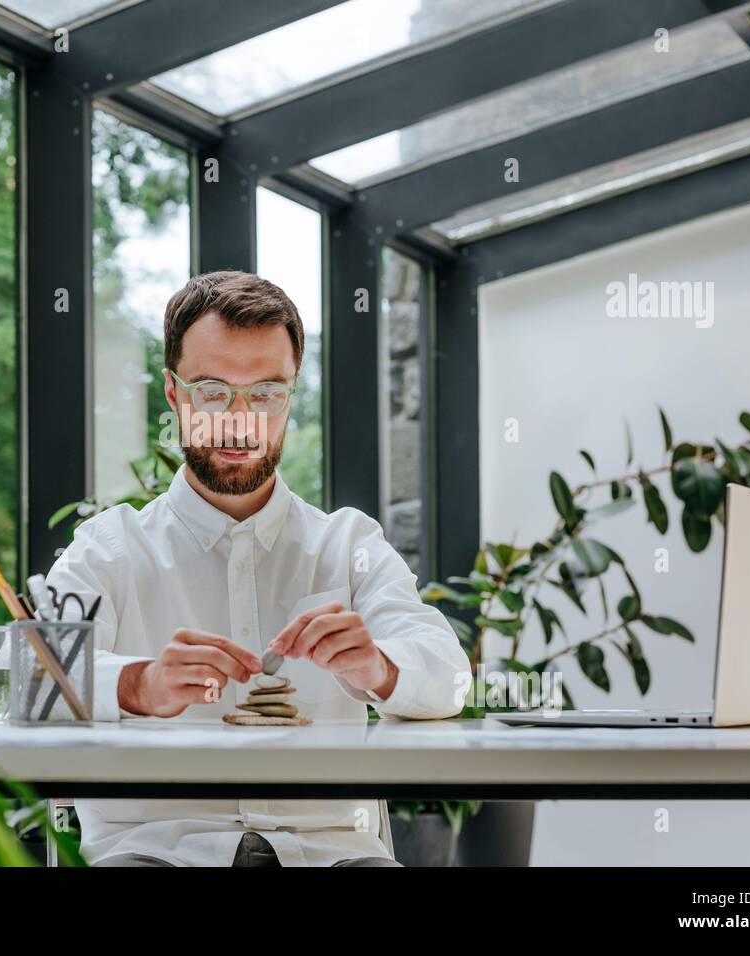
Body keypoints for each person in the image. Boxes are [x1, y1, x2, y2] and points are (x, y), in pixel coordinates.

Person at [47, 270, 470, 866]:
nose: (240, 420)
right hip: (153, 852)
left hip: (331, 854)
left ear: (291, 394)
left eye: (266, 392)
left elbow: (451, 675)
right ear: (173, 393)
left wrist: (379, 665)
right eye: (213, 389)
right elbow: (28, 679)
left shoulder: (348, 543)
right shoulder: (109, 548)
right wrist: (136, 684)